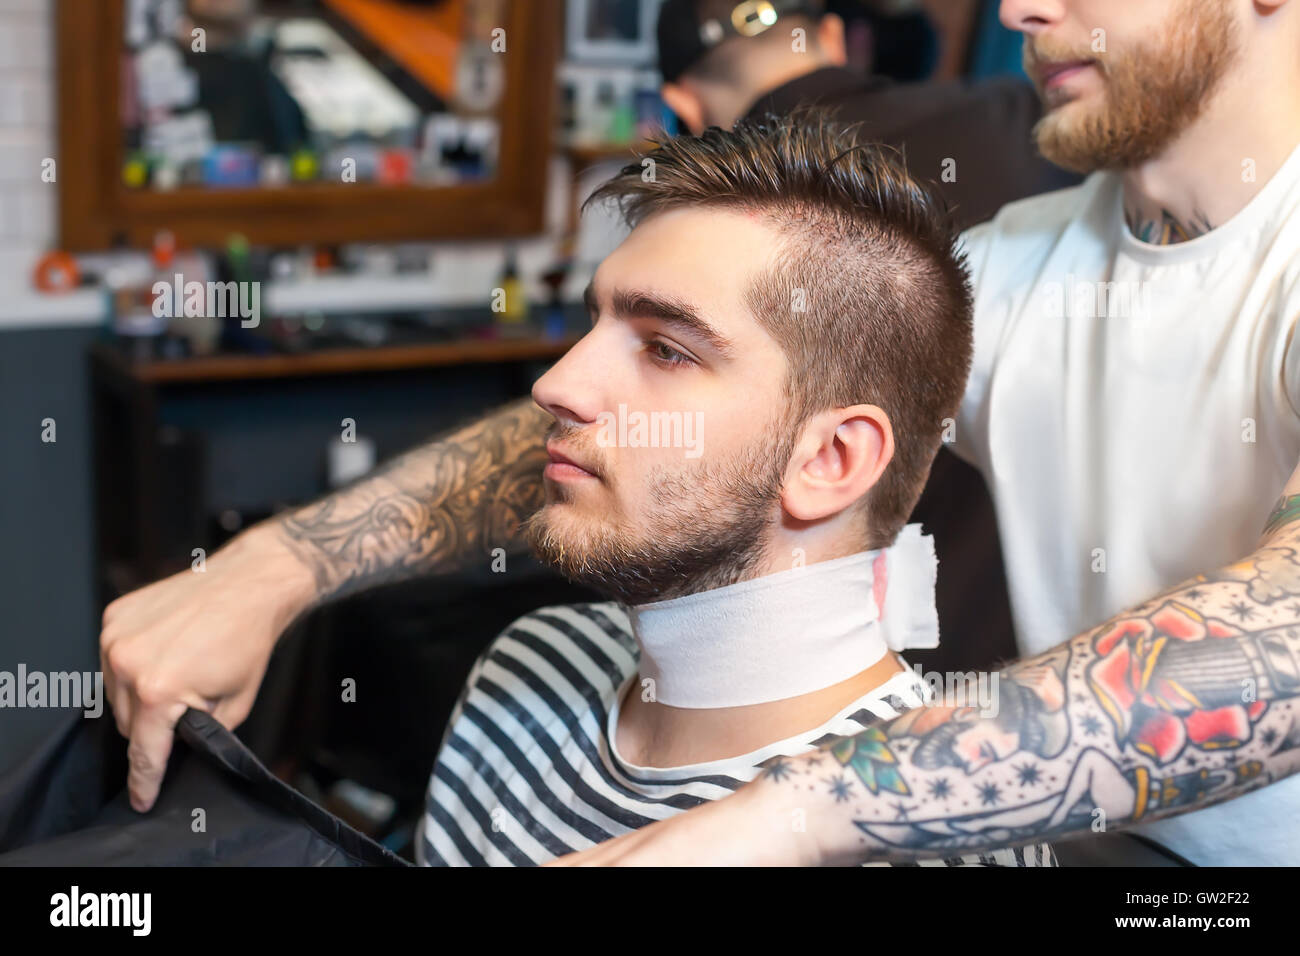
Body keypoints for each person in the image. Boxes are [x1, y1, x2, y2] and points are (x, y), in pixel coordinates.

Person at [99, 0, 1300, 866]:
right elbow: (661, 428)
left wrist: (767, 820)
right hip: (1074, 831)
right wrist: (275, 566)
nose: (1019, 11)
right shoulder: (1025, 263)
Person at [418, 114, 1051, 866]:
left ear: (830, 459)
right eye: (596, 323)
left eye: (666, 349)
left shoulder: (938, 830)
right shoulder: (529, 669)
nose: (556, 386)